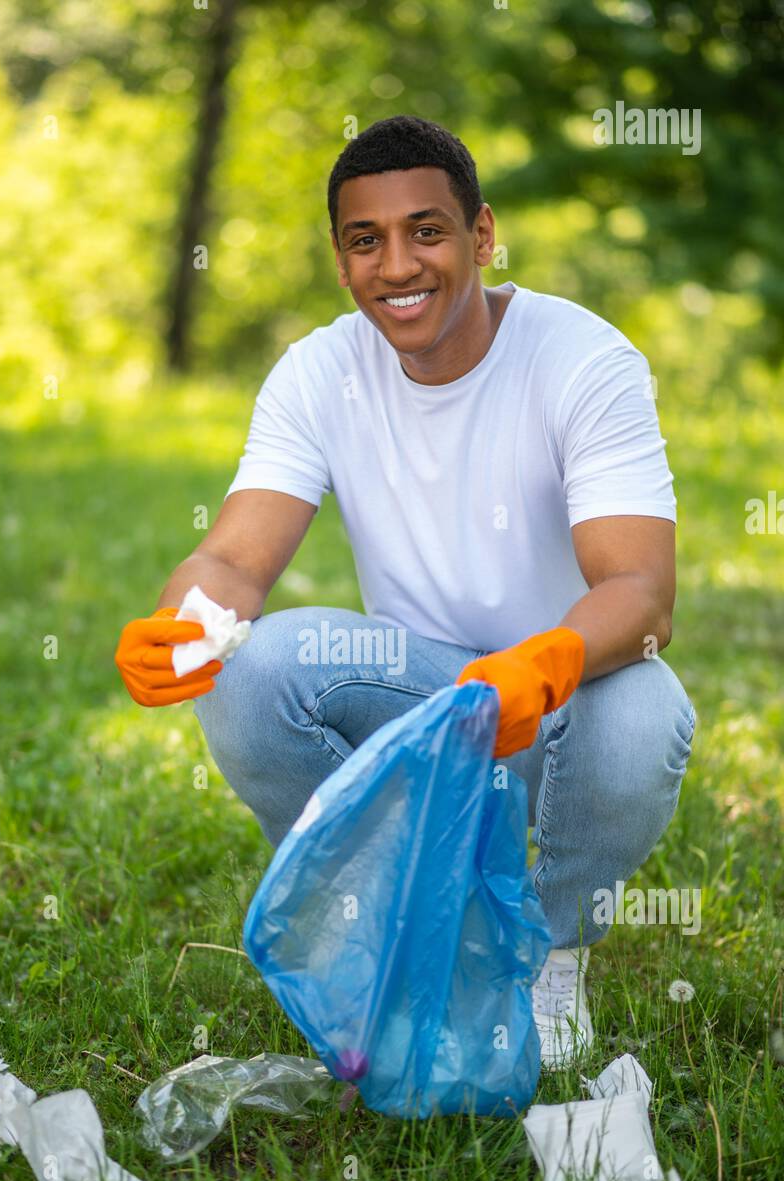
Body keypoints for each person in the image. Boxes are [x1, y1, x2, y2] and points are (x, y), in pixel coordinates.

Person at [115, 115, 697, 1071]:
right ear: (341, 263)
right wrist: (184, 622)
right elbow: (234, 563)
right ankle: (381, 931)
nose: (398, 264)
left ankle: (544, 956)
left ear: (482, 236)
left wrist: (538, 667)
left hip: (561, 712)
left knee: (644, 709)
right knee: (250, 667)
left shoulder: (585, 361)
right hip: (419, 714)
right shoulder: (319, 371)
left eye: (426, 231)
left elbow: (642, 593)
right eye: (365, 240)